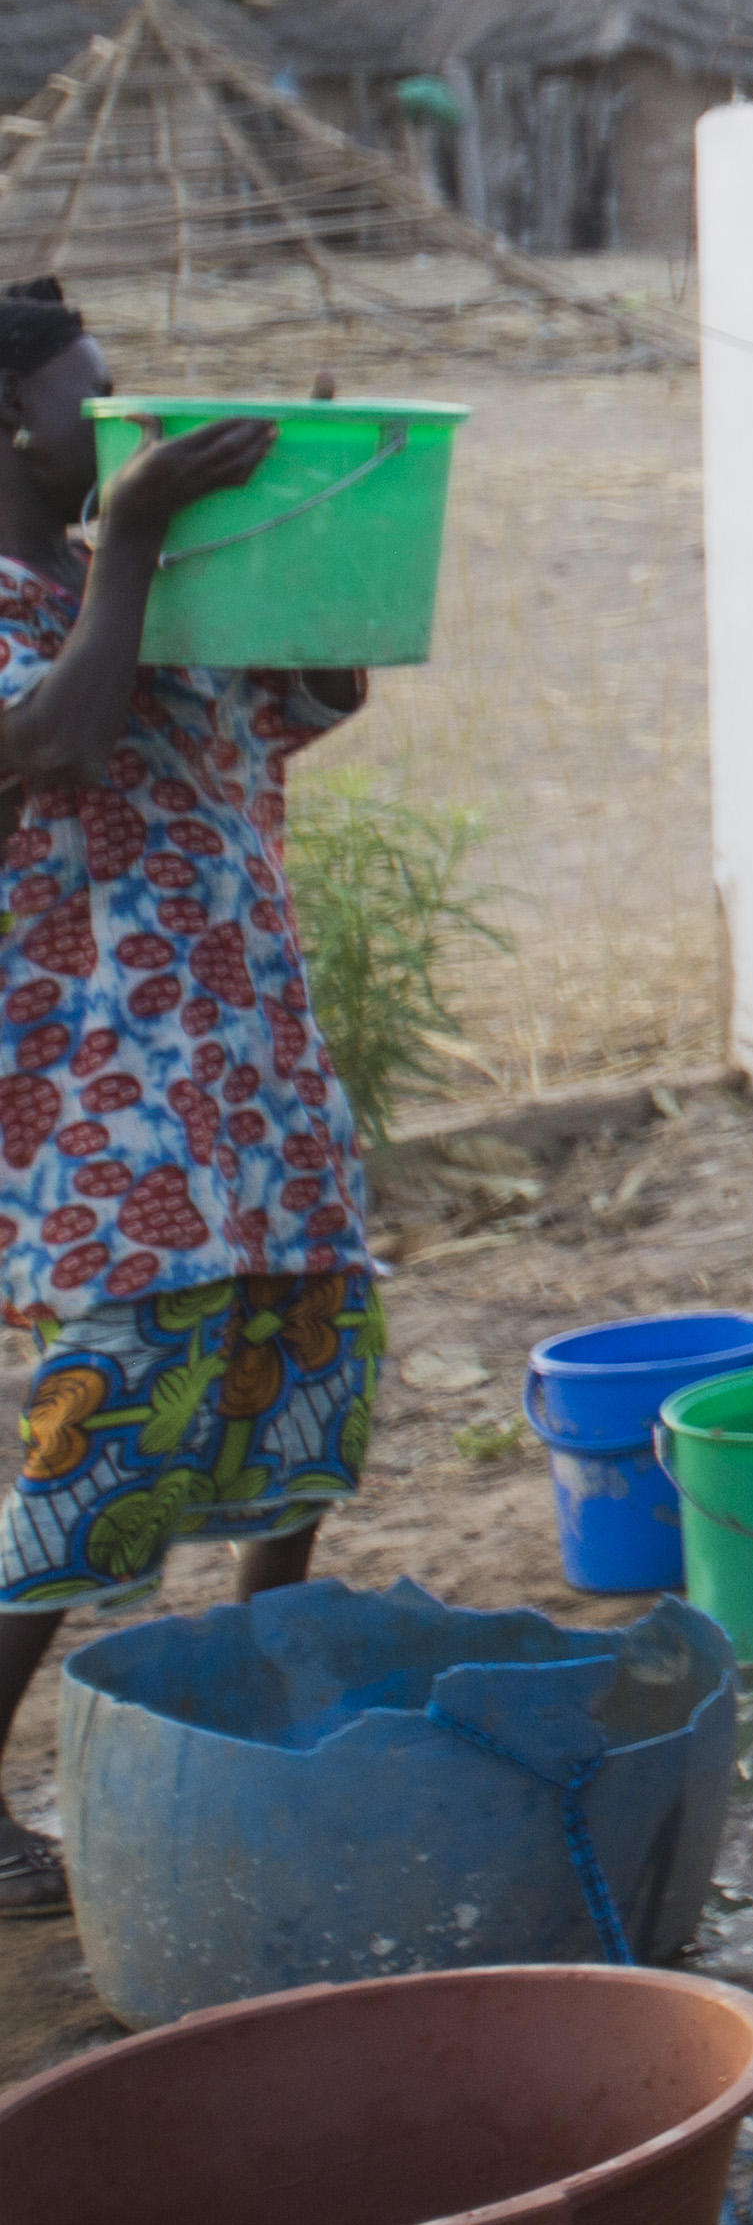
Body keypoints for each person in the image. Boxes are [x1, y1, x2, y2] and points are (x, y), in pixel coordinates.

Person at [0, 288, 374, 1920]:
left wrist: (316, 516)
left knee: (301, 1389)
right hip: (103, 1101)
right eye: (98, 396)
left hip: (249, 1067)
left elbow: (325, 687)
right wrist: (141, 543)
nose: (127, 417)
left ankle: (250, 1704)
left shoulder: (129, 578)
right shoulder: (56, 599)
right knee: (101, 1441)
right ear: (17, 425)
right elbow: (58, 743)